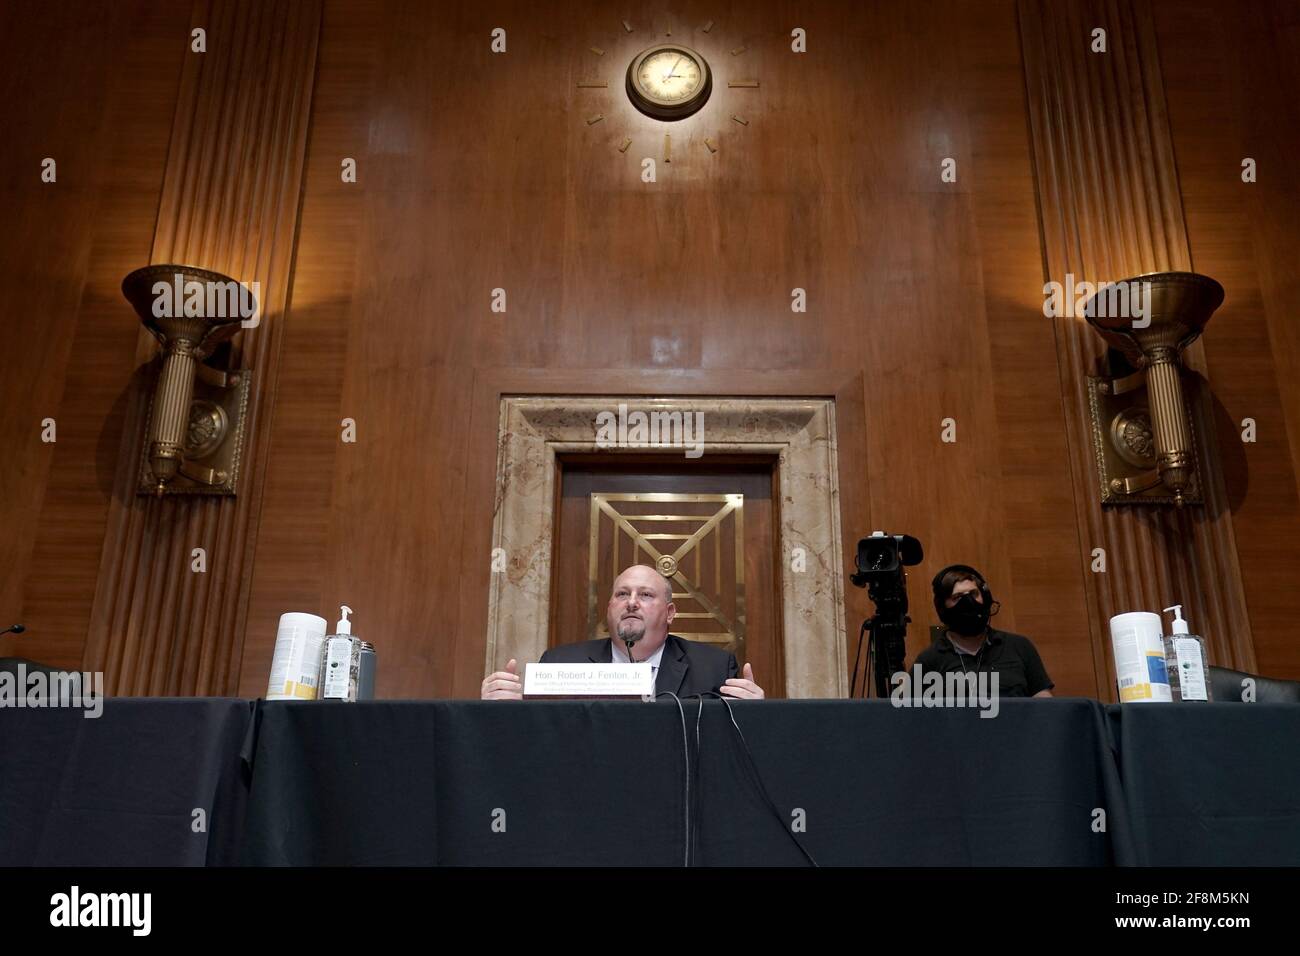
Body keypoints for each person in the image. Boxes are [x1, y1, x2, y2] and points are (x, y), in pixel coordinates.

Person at [481, 564, 766, 700]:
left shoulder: (713, 667)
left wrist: (755, 717)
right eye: (622, 594)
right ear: (609, 609)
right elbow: (538, 737)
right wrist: (506, 711)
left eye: (645, 595)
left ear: (669, 613)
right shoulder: (560, 662)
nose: (631, 602)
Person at [912, 564, 1054, 698]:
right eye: (957, 597)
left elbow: (1043, 699)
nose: (968, 602)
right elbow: (905, 714)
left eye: (973, 594)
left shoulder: (1019, 646)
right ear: (942, 608)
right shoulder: (930, 659)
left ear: (985, 598)